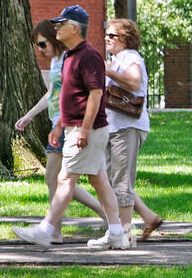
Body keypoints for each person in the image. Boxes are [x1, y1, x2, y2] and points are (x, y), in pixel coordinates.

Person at [11, 5, 128, 249]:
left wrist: (84, 129)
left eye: (61, 24)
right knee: (99, 181)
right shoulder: (69, 56)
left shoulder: (89, 55)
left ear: (74, 28)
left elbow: (96, 94)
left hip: (89, 130)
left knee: (64, 178)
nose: (56, 28)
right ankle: (117, 233)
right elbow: (68, 96)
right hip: (75, 128)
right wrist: (59, 127)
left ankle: (46, 229)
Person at [68, 18, 162, 245]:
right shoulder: (118, 58)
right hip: (114, 128)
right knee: (109, 180)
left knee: (120, 183)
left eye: (112, 36)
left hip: (127, 128)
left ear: (125, 39)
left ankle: (125, 235)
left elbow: (134, 81)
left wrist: (108, 71)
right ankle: (146, 218)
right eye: (106, 35)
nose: (107, 39)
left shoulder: (130, 57)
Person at [13, 20, 69, 244]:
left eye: (43, 44)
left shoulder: (67, 60)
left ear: (54, 39)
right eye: (37, 45)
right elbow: (51, 94)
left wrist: (61, 124)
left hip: (67, 126)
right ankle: (55, 230)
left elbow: (70, 95)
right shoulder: (56, 62)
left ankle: (52, 230)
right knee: (67, 179)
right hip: (59, 123)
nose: (40, 50)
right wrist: (30, 115)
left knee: (56, 178)